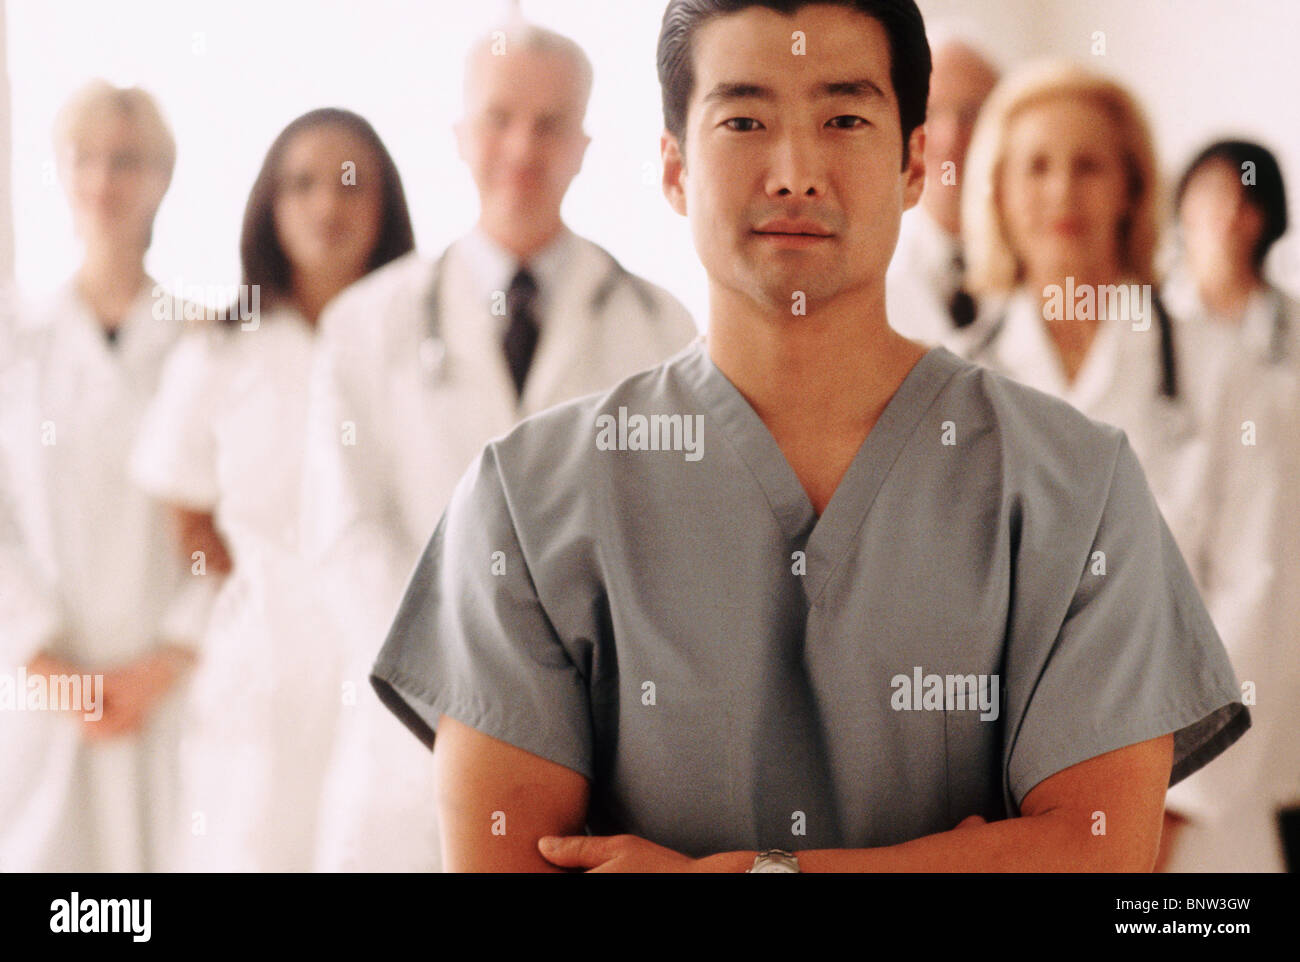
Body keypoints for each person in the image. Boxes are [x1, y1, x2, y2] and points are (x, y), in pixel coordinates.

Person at [369, 0, 1248, 872]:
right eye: (745, 119)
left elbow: (1091, 858)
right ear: (674, 169)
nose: (794, 172)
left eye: (843, 117)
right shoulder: (526, 501)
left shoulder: (1077, 487)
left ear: (914, 165)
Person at [302, 20, 699, 873]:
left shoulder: (659, 324)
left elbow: (674, 547)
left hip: (590, 745)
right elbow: (343, 535)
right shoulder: (364, 325)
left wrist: (552, 704)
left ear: (586, 145)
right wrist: (464, 697)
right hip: (405, 748)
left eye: (551, 123)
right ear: (459, 136)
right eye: (500, 117)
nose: (523, 145)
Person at [957, 64, 1278, 871]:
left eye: (1089, 164)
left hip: (1197, 829)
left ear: (1132, 188)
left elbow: (1264, 590)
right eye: (1035, 165)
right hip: (1007, 828)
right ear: (996, 193)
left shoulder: (1221, 368)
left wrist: (1161, 810)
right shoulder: (950, 387)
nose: (1062, 190)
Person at [130, 108, 415, 871]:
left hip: (397, 671)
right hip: (262, 674)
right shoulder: (221, 352)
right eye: (303, 184)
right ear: (269, 204)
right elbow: (185, 511)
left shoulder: (419, 346)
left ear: (386, 205)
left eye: (352, 184)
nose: (329, 205)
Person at [0, 80, 198, 872]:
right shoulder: (18, 346)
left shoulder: (204, 342)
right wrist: (46, 668)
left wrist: (166, 664)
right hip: (46, 698)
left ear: (163, 178)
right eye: (85, 160)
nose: (105, 182)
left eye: (128, 161)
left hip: (174, 697)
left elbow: (234, 532)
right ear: (58, 172)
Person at [1159, 140, 1300, 872]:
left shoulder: (1290, 332)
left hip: (1278, 611)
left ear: (1267, 218)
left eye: (1245, 199)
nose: (1227, 214)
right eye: (1210, 193)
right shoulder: (1150, 331)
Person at [885, 32, 997, 349]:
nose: (950, 140)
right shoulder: (872, 269)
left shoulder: (1045, 266)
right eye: (930, 113)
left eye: (971, 113)